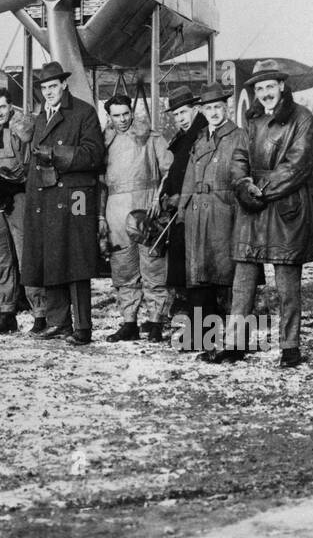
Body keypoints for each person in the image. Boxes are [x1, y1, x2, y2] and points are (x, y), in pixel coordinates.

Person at [225, 60, 313, 368]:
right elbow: (238, 157)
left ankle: (290, 346)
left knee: (287, 285)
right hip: (252, 208)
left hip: (284, 208)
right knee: (243, 281)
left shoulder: (302, 118)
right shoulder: (250, 122)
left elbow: (297, 165)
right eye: (259, 88)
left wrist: (259, 191)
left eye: (270, 86)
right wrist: (242, 184)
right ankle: (234, 344)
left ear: (282, 86)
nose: (265, 93)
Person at [20, 61, 105, 346]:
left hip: (74, 197)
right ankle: (59, 323)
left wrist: (56, 154)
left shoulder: (84, 112)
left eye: (53, 86)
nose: (49, 92)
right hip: (46, 197)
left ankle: (82, 328)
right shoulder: (42, 116)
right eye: (44, 88)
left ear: (64, 85)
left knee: (76, 259)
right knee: (51, 258)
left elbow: (94, 155)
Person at [0, 86, 44, 335]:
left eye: (3, 107)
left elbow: (31, 154)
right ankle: (6, 312)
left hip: (18, 193)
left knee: (27, 254)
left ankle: (40, 314)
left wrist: (17, 124)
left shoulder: (24, 128)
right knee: (1, 256)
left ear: (10, 106)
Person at [100, 93, 172, 343]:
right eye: (116, 115)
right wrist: (101, 217)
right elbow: (99, 182)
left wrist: (158, 198)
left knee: (152, 264)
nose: (122, 120)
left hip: (146, 206)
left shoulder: (151, 138)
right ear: (109, 116)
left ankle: (155, 322)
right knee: (122, 267)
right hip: (115, 209)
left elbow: (169, 171)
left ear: (132, 112)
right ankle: (128, 322)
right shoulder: (104, 143)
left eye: (125, 114)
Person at [179, 82, 241, 359]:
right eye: (208, 108)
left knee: (231, 278)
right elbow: (189, 178)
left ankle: (238, 343)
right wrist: (183, 210)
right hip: (198, 213)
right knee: (199, 277)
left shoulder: (239, 136)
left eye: (218, 107)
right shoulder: (200, 138)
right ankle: (200, 339)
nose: (214, 112)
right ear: (201, 111)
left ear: (226, 108)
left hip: (225, 212)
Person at [161, 86, 206, 349]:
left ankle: (202, 334)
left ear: (195, 109)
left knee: (197, 278)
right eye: (176, 114)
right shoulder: (185, 136)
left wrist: (181, 198)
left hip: (195, 213)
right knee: (188, 278)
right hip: (181, 214)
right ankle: (194, 332)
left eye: (184, 112)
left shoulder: (199, 135)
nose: (180, 118)